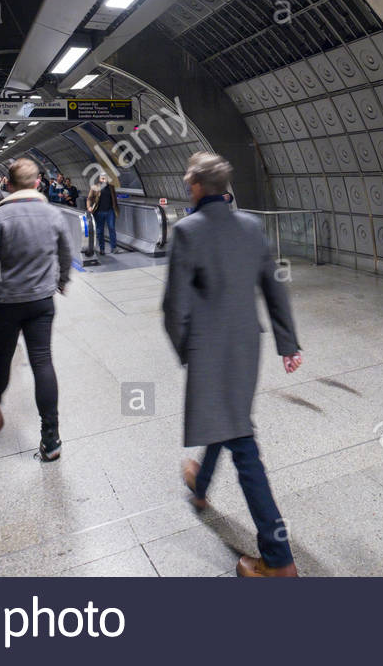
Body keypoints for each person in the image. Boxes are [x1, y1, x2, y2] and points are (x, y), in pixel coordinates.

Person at [162, 152, 303, 577]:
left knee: (243, 445)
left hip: (210, 350)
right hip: (246, 347)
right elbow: (274, 287)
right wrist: (287, 343)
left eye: (190, 184)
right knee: (230, 418)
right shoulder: (251, 227)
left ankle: (278, 561)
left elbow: (173, 307)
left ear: (199, 187)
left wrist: (187, 349)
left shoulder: (187, 231)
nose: (189, 190)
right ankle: (200, 485)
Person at [0, 158, 74, 460]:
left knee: (0, 361)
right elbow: (66, 253)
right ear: (37, 183)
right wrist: (62, 281)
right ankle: (51, 437)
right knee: (43, 363)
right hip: (41, 301)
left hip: (4, 303)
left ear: (8, 185)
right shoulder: (53, 214)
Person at [87, 174, 119, 254]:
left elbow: (114, 198)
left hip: (110, 211)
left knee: (111, 228)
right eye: (103, 178)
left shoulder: (111, 187)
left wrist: (115, 208)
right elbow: (89, 199)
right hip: (99, 212)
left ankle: (114, 248)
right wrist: (89, 207)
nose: (104, 179)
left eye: (106, 178)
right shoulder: (95, 187)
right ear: (100, 179)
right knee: (100, 231)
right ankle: (102, 249)